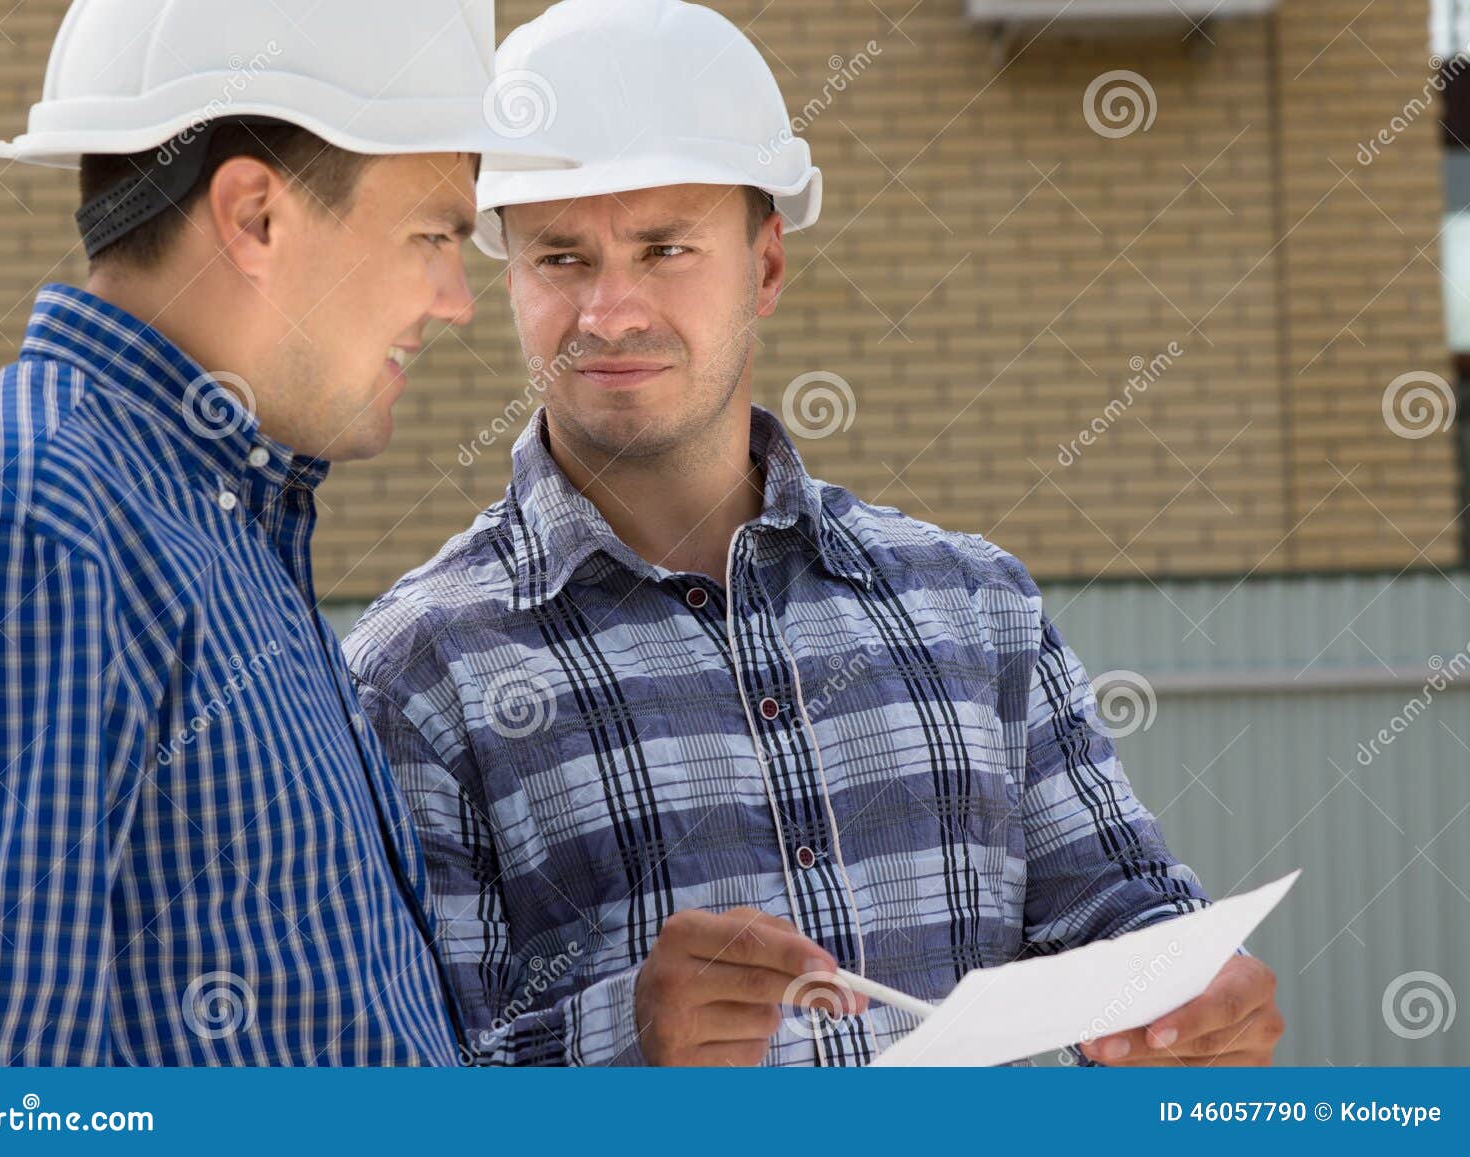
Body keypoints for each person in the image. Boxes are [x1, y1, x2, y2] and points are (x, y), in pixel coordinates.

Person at [345, 0, 1284, 1068]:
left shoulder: (974, 609)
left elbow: (1119, 910)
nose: (609, 311)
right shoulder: (416, 673)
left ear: (768, 267)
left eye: (665, 248)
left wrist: (1183, 994)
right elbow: (396, 1076)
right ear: (507, 276)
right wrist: (620, 1043)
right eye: (560, 258)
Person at [0, 0, 566, 1066]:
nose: (453, 298)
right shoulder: (28, 509)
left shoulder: (221, 522)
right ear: (253, 216)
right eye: (433, 234)